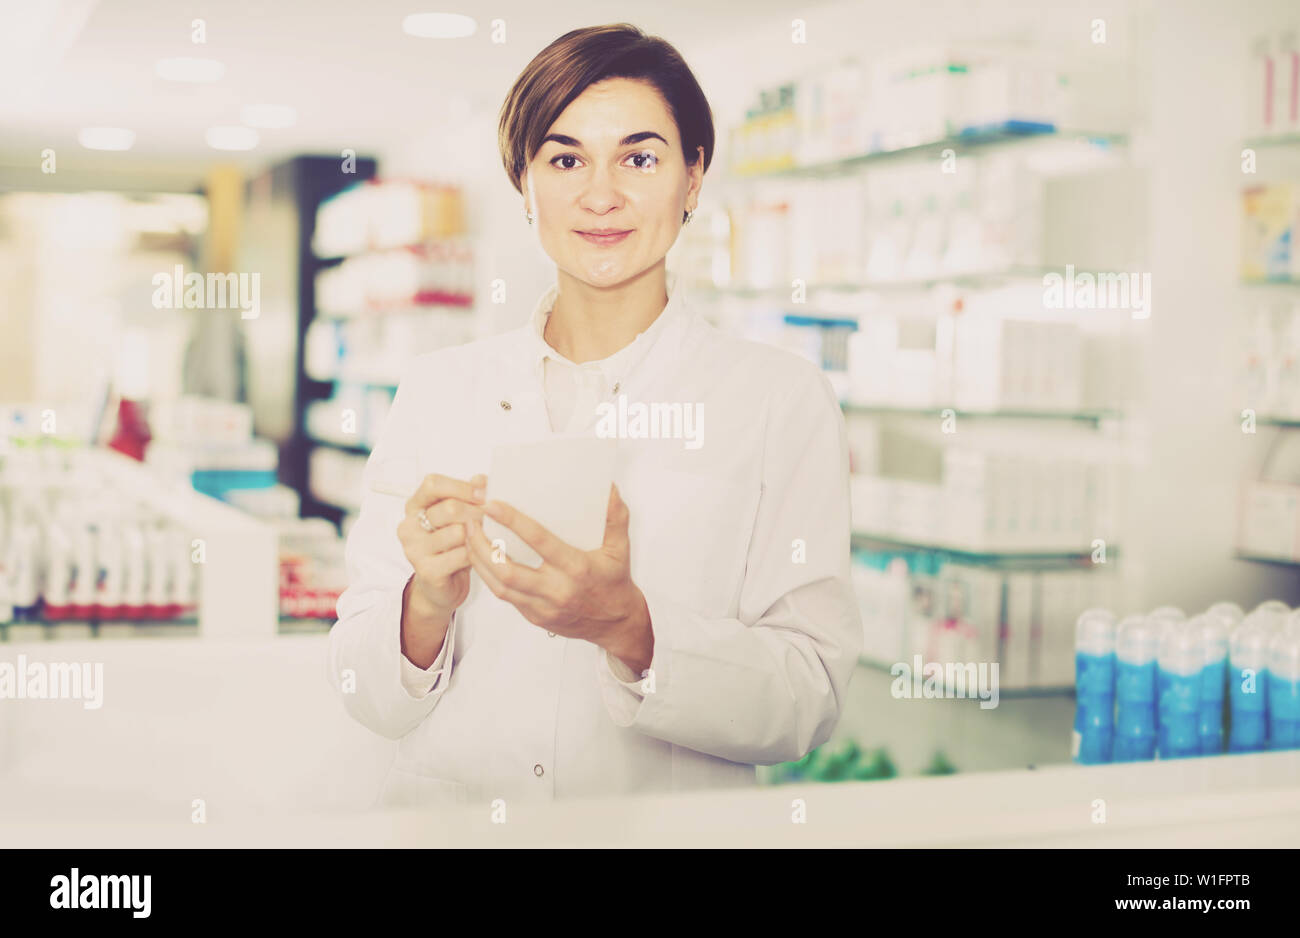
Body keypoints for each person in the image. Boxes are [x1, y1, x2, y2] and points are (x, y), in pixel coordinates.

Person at [329, 22, 863, 806]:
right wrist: (426, 606)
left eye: (639, 158)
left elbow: (809, 699)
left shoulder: (779, 400)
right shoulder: (439, 389)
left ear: (693, 177)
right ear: (525, 184)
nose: (600, 194)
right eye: (566, 158)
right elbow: (362, 689)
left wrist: (632, 631)